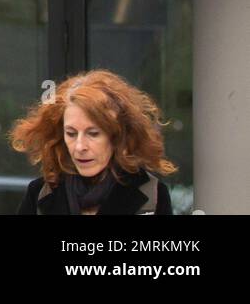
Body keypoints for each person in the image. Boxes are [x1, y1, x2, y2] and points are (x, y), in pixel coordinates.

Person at [10, 69, 176, 215]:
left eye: (93, 134)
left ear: (117, 136)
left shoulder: (151, 194)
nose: (80, 146)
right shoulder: (40, 193)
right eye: (71, 133)